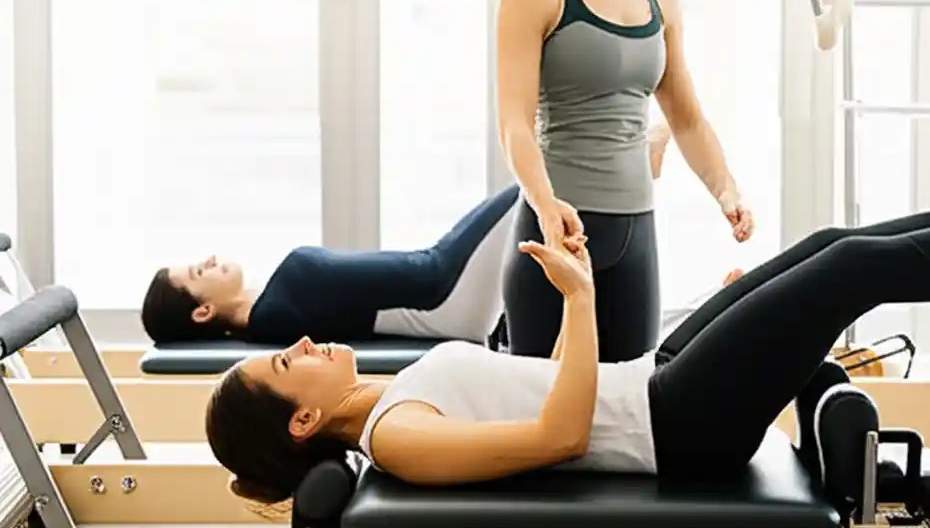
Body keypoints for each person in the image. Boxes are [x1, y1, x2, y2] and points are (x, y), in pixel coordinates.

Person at [204, 128, 930, 503]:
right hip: (678, 425)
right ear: (302, 418)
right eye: (287, 363)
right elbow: (560, 433)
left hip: (655, 386)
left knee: (826, 246)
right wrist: (581, 303)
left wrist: (577, 305)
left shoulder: (394, 400)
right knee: (851, 271)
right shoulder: (400, 437)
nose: (303, 343)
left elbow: (551, 396)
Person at [495, 0, 754, 363]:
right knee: (543, 406)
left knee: (632, 399)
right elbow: (514, 123)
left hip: (638, 234)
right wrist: (545, 206)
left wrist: (726, 190)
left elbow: (686, 117)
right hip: (560, 233)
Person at [141, 124, 682, 347]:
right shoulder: (271, 318)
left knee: (543, 187)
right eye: (196, 273)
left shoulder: (271, 308)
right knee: (539, 181)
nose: (207, 259)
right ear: (202, 312)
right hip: (443, 292)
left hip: (440, 280)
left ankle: (631, 167)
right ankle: (636, 158)